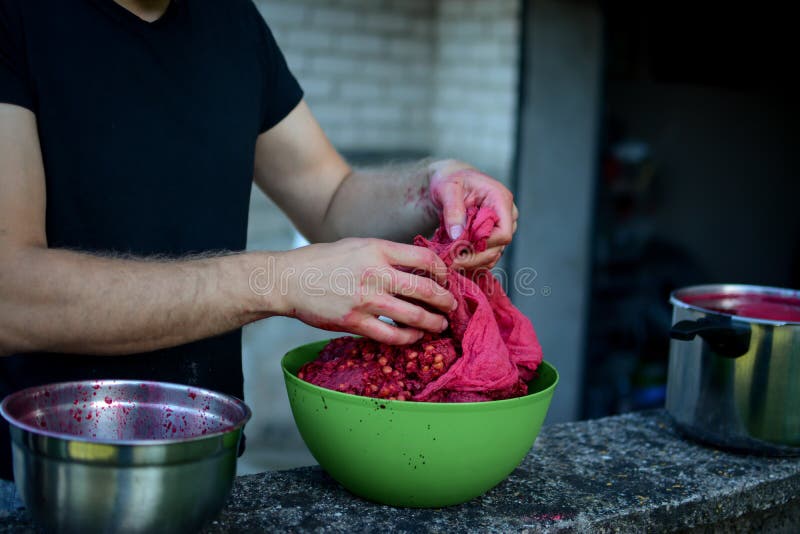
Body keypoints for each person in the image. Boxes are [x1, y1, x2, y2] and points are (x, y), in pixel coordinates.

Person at [0, 0, 518, 479]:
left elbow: (331, 199)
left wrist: (430, 188)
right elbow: (11, 296)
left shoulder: (233, 22)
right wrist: (277, 281)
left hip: (206, 459)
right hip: (34, 471)